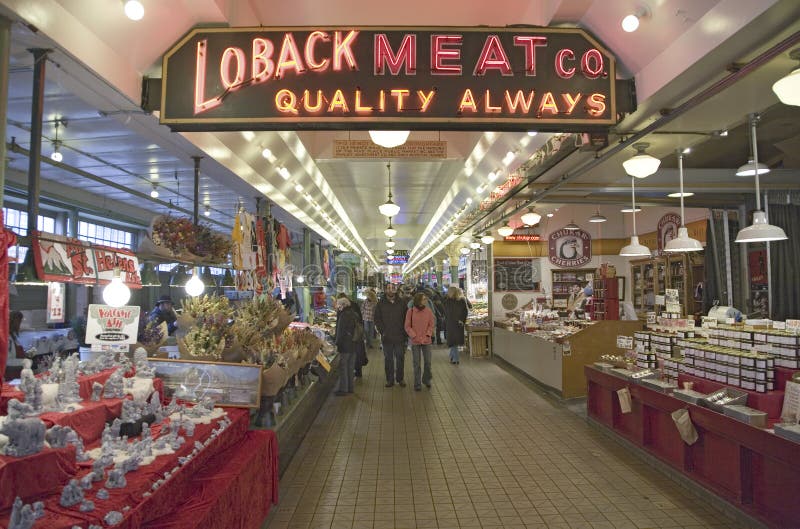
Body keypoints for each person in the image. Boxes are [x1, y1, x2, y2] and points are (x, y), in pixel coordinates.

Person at [373, 283, 408, 388]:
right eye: (388, 288)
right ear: (385, 290)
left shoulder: (402, 303)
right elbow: (377, 319)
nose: (391, 290)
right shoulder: (380, 304)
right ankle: (390, 379)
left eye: (393, 288)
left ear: (396, 290)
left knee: (400, 358)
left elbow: (407, 318)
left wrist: (405, 332)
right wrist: (382, 331)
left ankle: (400, 378)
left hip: (400, 336)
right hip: (386, 336)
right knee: (388, 359)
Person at [405, 292, 435, 391]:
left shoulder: (428, 311)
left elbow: (431, 325)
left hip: (427, 340)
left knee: (428, 362)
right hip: (415, 341)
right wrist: (413, 336)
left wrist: (428, 334)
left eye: (426, 299)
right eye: (424, 299)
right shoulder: (411, 311)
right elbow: (407, 326)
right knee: (416, 363)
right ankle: (417, 383)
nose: (426, 301)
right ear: (418, 300)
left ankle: (426, 379)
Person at [333, 296, 358, 396]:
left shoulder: (343, 315)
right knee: (350, 367)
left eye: (338, 305)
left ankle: (343, 389)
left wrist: (336, 343)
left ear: (343, 305)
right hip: (354, 343)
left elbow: (340, 332)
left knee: (343, 367)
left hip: (345, 345)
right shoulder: (353, 313)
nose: (337, 307)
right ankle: (350, 388)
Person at [443, 286, 469, 364]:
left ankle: (456, 359)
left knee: (453, 342)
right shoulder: (461, 300)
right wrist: (462, 320)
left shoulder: (448, 301)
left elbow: (446, 312)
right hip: (457, 324)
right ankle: (452, 356)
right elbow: (465, 311)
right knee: (454, 342)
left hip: (452, 324)